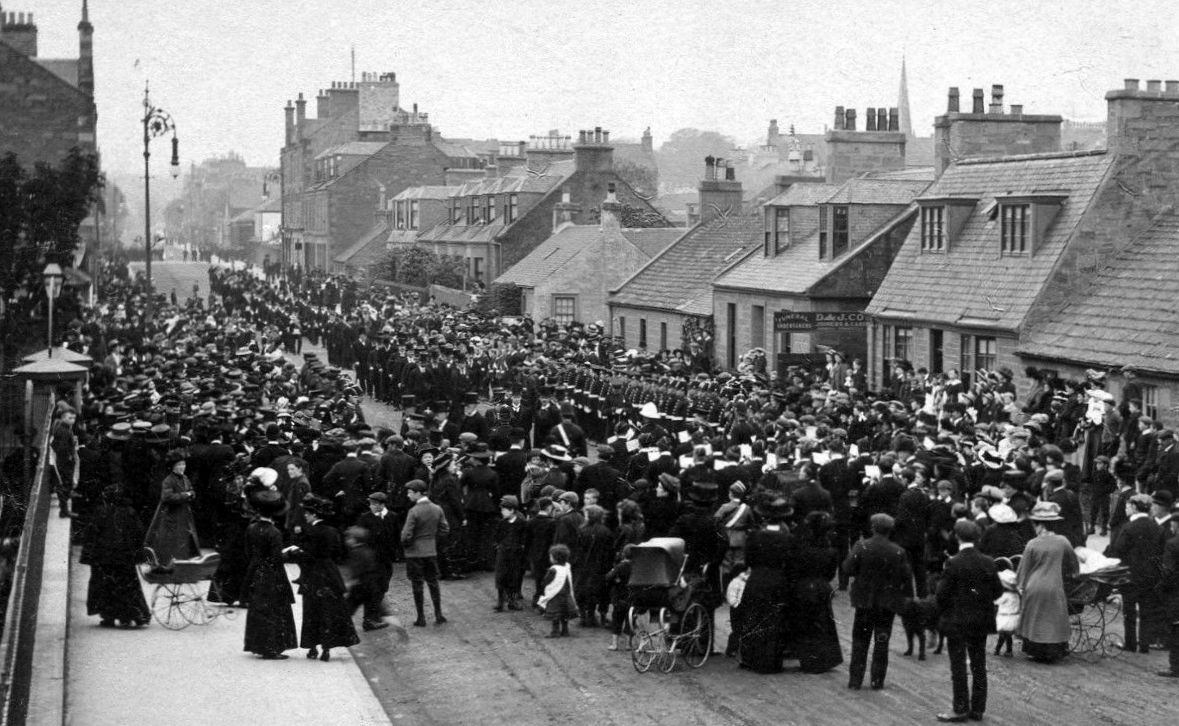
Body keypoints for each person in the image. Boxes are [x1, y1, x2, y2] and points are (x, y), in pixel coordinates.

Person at [934, 520, 1003, 723]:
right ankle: (978, 709)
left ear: (957, 537)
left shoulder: (953, 563)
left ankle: (960, 708)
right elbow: (998, 591)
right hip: (980, 620)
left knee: (958, 665)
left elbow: (941, 594)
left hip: (957, 620)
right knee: (979, 664)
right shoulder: (988, 562)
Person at [843, 513, 912, 690]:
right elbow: (906, 576)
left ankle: (855, 680)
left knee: (860, 640)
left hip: (864, 601)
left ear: (873, 528)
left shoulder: (861, 546)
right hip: (887, 603)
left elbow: (848, 568)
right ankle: (877, 680)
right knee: (882, 641)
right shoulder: (898, 551)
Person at [290, 495, 359, 660]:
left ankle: (312, 647)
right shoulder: (333, 531)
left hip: (313, 574)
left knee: (312, 611)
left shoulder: (310, 531)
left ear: (315, 515)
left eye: (308, 513)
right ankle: (327, 648)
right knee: (329, 611)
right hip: (330, 573)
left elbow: (308, 555)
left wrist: (295, 552)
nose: (305, 516)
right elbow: (339, 553)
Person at [733, 497, 794, 672]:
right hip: (778, 581)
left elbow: (748, 560)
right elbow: (791, 563)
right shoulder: (788, 538)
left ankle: (751, 658)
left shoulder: (754, 536)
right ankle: (771, 661)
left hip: (757, 580)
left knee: (753, 617)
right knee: (775, 620)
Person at [1016, 501, 1078, 663]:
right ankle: (1054, 651)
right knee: (1054, 618)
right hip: (1054, 585)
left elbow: (1023, 569)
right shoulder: (1063, 541)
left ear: (1040, 525)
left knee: (1035, 619)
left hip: (1034, 586)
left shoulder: (1032, 544)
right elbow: (1073, 564)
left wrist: (1020, 586)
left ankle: (1035, 651)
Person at [81, 485, 150, 628]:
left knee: (105, 586)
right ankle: (129, 615)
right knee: (127, 586)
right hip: (124, 558)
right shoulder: (130, 511)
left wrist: (89, 555)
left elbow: (91, 533)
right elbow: (138, 533)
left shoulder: (101, 511)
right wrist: (138, 554)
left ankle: (108, 616)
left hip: (104, 557)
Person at [242, 490, 298, 660]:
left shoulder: (251, 528)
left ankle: (257, 645)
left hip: (255, 570)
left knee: (258, 608)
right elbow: (276, 558)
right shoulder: (274, 532)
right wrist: (288, 554)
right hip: (272, 574)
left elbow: (247, 552)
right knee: (274, 609)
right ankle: (271, 647)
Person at [1104, 493, 1162, 653]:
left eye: (1128, 506)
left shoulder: (1128, 527)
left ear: (1135, 507)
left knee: (1129, 610)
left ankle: (1130, 643)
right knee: (1146, 611)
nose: (1126, 509)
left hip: (1130, 575)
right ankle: (1144, 644)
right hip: (1150, 575)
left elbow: (1118, 549)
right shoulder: (1156, 527)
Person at [789, 510, 843, 674]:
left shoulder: (801, 548)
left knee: (805, 623)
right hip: (821, 587)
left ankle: (807, 659)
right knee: (823, 623)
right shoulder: (830, 551)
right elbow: (830, 574)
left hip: (803, 586)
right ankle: (823, 659)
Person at [401, 479, 449, 627]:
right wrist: (432, 540)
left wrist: (407, 545)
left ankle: (421, 618)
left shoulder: (414, 511)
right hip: (431, 551)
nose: (408, 495)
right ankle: (438, 614)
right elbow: (445, 529)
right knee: (433, 582)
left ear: (418, 493)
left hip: (414, 554)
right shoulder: (437, 508)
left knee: (417, 585)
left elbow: (406, 535)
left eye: (410, 492)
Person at [144, 450, 201, 564]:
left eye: (183, 464)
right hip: (171, 514)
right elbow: (166, 497)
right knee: (171, 538)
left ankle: (182, 559)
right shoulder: (168, 480)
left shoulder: (185, 478)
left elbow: (191, 490)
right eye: (179, 465)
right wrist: (185, 495)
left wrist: (191, 494)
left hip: (183, 513)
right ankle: (169, 561)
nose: (182, 467)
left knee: (183, 536)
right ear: (173, 467)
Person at [493, 495, 526, 612]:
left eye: (504, 509)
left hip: (515, 554)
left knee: (513, 576)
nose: (502, 512)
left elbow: (523, 538)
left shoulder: (521, 523)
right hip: (503, 553)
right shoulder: (502, 523)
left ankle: (512, 600)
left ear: (512, 510)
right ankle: (500, 601)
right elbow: (497, 536)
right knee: (501, 576)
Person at [537, 543, 576, 638]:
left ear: (555, 558)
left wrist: (544, 585)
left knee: (556, 614)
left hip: (555, 595)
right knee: (565, 613)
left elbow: (546, 581)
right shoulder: (567, 567)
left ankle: (555, 631)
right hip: (566, 595)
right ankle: (565, 630)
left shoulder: (553, 570)